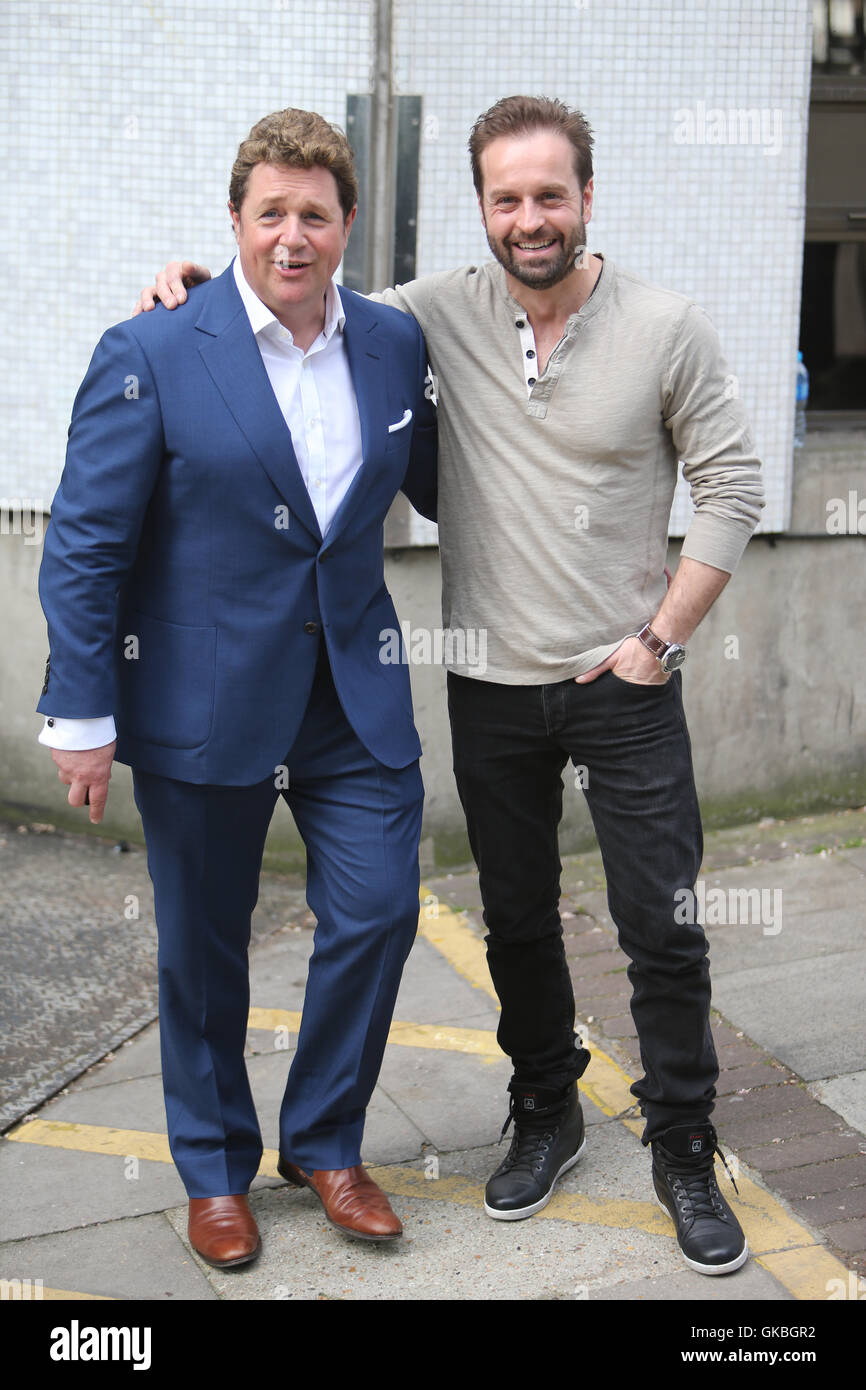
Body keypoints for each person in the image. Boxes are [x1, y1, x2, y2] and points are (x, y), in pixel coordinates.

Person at [135, 95, 765, 1276]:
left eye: (549, 194)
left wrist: (659, 640)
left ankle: (685, 1140)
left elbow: (731, 486)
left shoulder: (665, 326)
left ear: (587, 197)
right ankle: (546, 1111)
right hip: (487, 684)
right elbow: (286, 291)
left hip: (622, 682)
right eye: (505, 198)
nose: (528, 218)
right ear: (480, 208)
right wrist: (188, 292)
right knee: (515, 924)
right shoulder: (423, 321)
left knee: (660, 927)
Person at [37, 107, 437, 1266]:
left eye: (316, 214)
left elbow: (448, 478)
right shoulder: (154, 347)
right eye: (272, 213)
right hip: (201, 698)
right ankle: (213, 1169)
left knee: (377, 910)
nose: (294, 235)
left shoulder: (390, 344)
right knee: (203, 947)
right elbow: (87, 541)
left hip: (350, 691)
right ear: (236, 219)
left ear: (347, 223)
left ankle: (323, 1141)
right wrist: (81, 713)